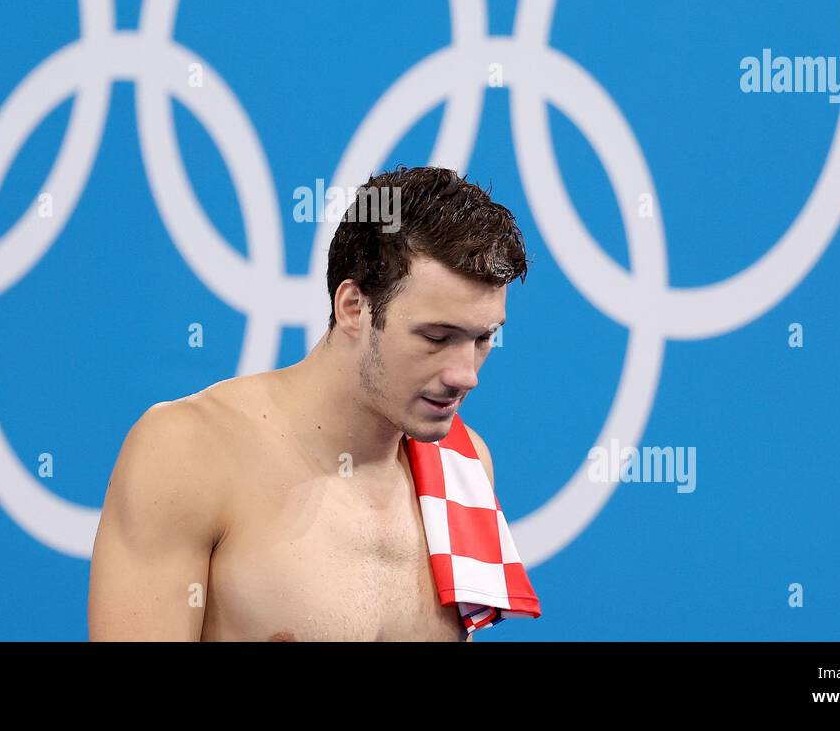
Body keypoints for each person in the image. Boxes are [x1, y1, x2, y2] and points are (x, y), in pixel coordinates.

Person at [88, 165, 529, 640]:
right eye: (436, 337)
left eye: (484, 338)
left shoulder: (465, 464)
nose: (465, 374)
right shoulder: (189, 453)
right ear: (353, 308)